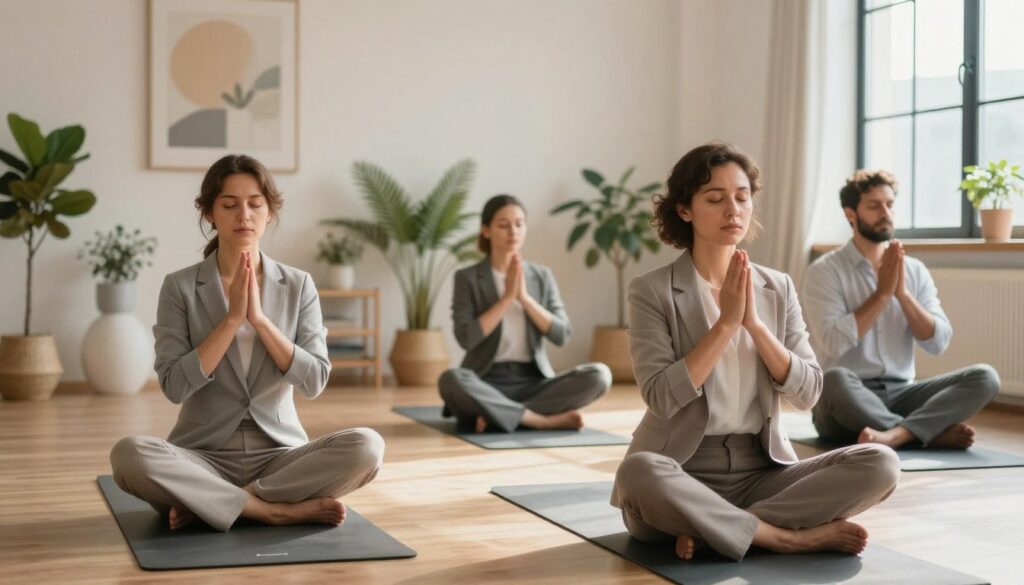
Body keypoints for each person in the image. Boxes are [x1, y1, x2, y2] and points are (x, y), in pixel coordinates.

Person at [612, 143, 900, 562]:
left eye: (742, 197)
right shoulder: (652, 290)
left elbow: (809, 392)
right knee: (637, 472)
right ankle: (786, 538)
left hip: (763, 471)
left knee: (881, 463)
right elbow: (660, 396)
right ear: (685, 210)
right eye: (715, 198)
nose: (733, 209)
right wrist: (726, 324)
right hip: (679, 472)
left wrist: (756, 327)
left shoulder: (777, 287)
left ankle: (725, 530)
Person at [110, 154, 384, 532]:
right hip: (201, 456)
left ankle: (216, 502)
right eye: (229, 204)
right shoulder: (180, 286)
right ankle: (273, 510)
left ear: (269, 212)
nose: (244, 215)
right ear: (209, 213)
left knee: (368, 446)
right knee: (128, 455)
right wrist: (231, 321)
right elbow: (173, 386)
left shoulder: (299, 284)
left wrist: (260, 321)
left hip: (281, 457)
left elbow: (315, 380)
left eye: (255, 204)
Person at [802, 169, 1000, 449]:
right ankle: (924, 432)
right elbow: (833, 344)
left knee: (985, 377)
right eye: (874, 205)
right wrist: (882, 295)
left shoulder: (914, 270)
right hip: (846, 400)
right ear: (850, 215)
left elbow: (938, 342)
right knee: (832, 380)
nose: (885, 212)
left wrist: (902, 294)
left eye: (890, 204)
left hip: (903, 393)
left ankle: (897, 435)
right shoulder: (824, 272)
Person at [438, 194, 612, 433]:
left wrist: (525, 299)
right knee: (451, 379)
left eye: (519, 224)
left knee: (599, 375)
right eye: (503, 224)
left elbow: (562, 335)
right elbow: (466, 338)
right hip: (485, 381)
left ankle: (500, 415)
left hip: (534, 382)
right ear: (486, 231)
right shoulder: (467, 278)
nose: (513, 231)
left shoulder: (541, 276)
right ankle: (540, 420)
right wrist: (506, 299)